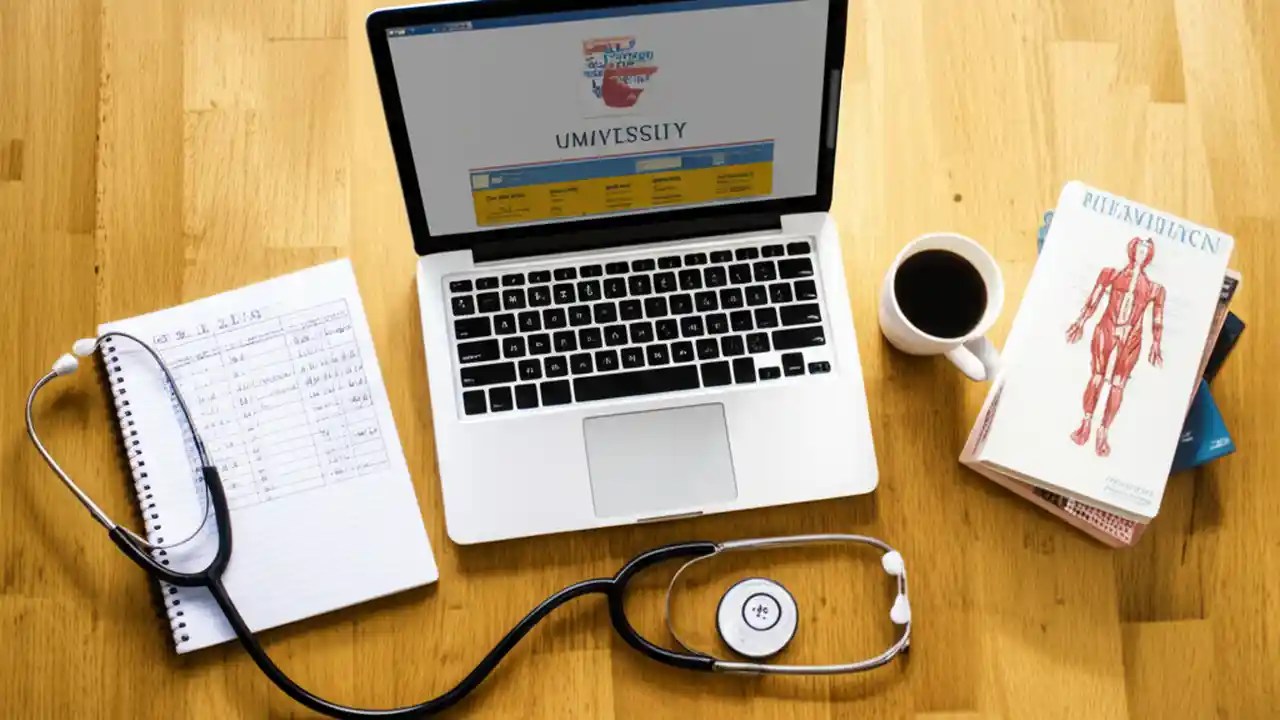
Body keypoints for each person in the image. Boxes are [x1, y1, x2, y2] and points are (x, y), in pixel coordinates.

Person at [1065, 237, 1165, 456]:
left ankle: (1103, 432)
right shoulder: (1111, 274)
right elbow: (1094, 299)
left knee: (1118, 383)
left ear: (1149, 256)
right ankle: (1085, 423)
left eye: (1145, 252)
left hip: (1132, 334)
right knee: (1098, 376)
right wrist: (1081, 322)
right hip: (1107, 326)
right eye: (1138, 250)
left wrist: (1156, 344)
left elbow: (1157, 320)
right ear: (1131, 250)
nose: (1141, 254)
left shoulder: (1155, 289)